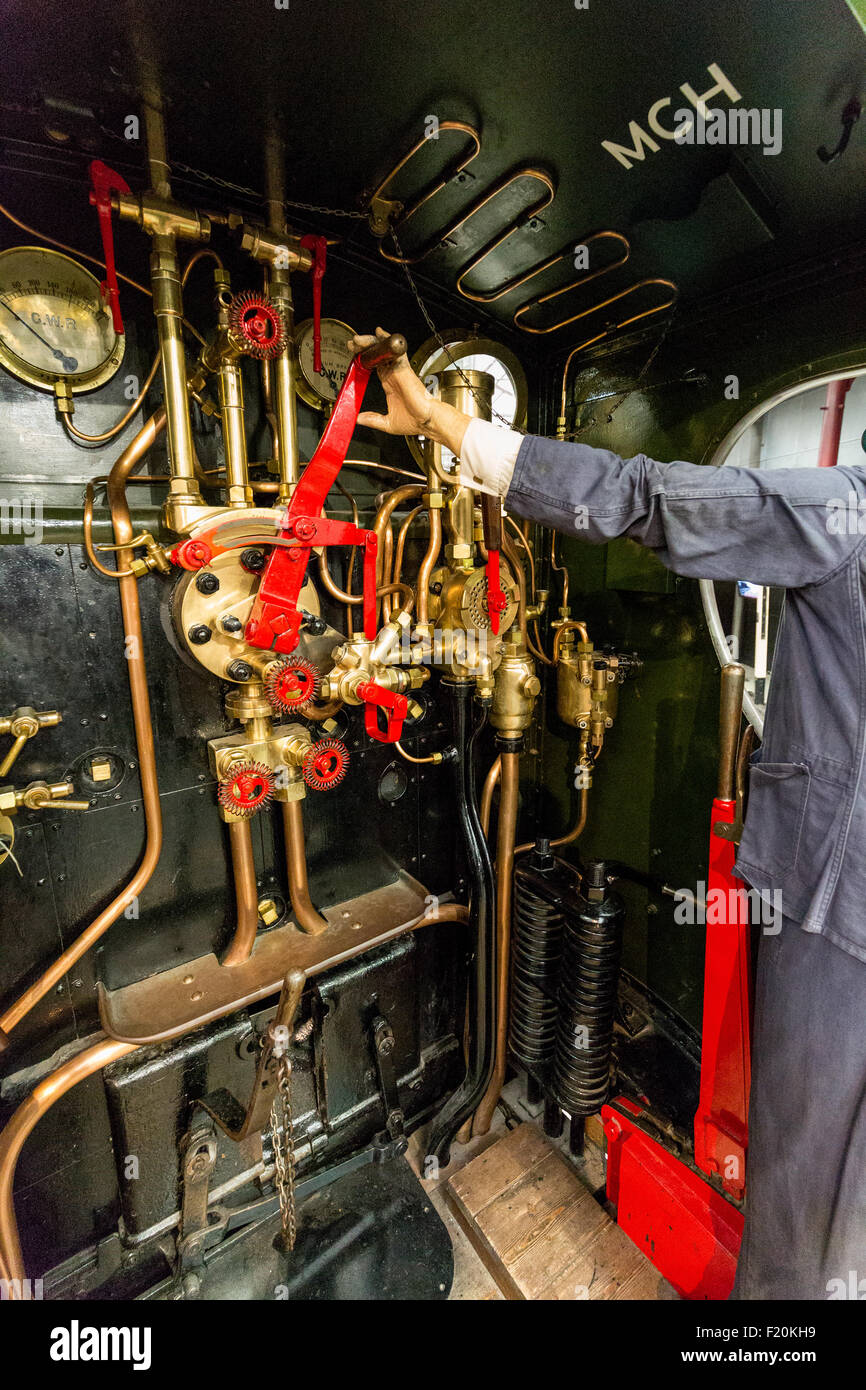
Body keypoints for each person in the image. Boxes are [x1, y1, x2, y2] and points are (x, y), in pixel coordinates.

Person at [350, 328, 866, 1302]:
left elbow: (647, 499)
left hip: (839, 915)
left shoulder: (847, 513)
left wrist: (449, 427)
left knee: (802, 1213)